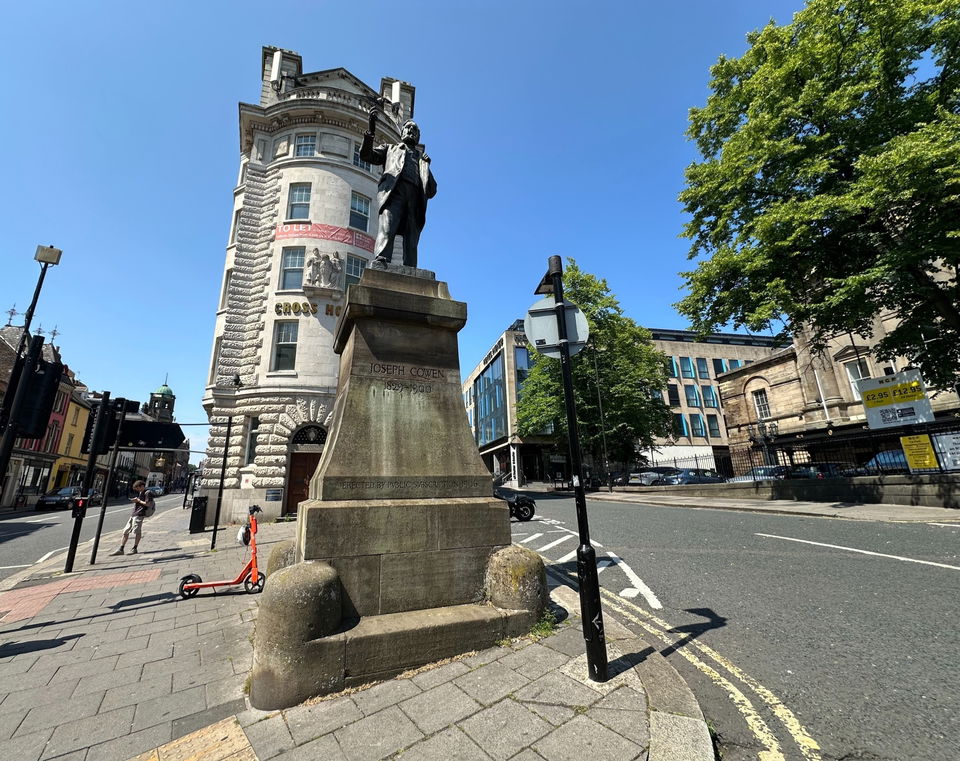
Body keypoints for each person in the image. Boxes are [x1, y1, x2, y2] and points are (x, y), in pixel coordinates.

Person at [360, 104, 437, 269]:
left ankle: (411, 268)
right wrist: (371, 131)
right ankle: (381, 260)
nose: (410, 131)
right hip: (395, 193)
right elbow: (367, 155)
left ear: (417, 137)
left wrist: (427, 167)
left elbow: (431, 191)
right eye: (407, 128)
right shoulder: (390, 149)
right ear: (402, 133)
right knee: (388, 228)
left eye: (414, 130)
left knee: (411, 239)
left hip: (415, 199)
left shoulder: (422, 160)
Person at [110, 480, 154, 555]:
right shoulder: (141, 492)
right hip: (134, 513)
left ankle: (134, 548)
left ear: (142, 486)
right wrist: (136, 501)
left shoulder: (148, 493)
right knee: (125, 531)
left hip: (140, 514)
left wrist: (138, 500)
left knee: (137, 531)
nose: (137, 490)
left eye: (138, 488)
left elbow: (148, 504)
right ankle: (121, 549)